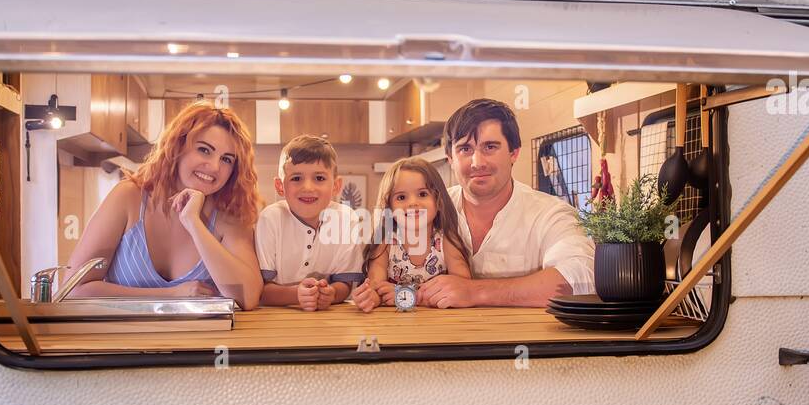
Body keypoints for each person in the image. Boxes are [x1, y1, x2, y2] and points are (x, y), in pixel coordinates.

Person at [61, 100, 264, 309]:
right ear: (177, 147)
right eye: (204, 150)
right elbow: (74, 290)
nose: (214, 166)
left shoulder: (229, 213)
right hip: (124, 339)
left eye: (227, 159)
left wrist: (194, 223)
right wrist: (171, 295)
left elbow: (247, 298)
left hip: (200, 341)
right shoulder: (128, 197)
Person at [416, 98, 595, 309]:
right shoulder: (426, 212)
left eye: (490, 147)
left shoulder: (550, 214)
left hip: (527, 340)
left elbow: (581, 278)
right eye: (465, 149)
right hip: (439, 339)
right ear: (450, 158)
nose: (477, 162)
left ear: (514, 153)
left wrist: (474, 292)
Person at [255, 134, 366, 310]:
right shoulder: (270, 219)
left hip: (328, 322)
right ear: (280, 186)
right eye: (296, 178)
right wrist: (296, 295)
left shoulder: (347, 219)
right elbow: (260, 290)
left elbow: (344, 284)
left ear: (336, 186)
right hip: (275, 321)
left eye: (319, 178)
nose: (307, 187)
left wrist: (331, 294)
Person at [351, 157, 471, 311]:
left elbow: (463, 287)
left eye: (422, 194)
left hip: (438, 325)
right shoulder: (386, 243)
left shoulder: (446, 240)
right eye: (401, 197)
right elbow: (376, 286)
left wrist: (408, 295)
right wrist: (370, 297)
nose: (413, 203)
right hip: (393, 327)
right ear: (389, 207)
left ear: (438, 201)